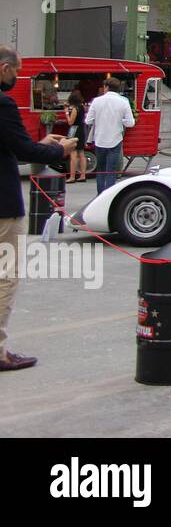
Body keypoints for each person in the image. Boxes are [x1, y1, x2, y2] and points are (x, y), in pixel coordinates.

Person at [0, 45, 78, 371]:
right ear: (4, 68)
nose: (16, 78)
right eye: (15, 72)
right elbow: (21, 148)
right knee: (5, 277)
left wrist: (36, 146)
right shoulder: (3, 102)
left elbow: (12, 147)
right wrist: (62, 150)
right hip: (3, 207)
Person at [84, 77, 135, 194]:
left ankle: (100, 194)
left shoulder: (97, 101)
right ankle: (109, 195)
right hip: (115, 139)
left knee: (100, 170)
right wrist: (120, 121)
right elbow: (130, 123)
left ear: (106, 87)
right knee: (111, 170)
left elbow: (88, 121)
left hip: (100, 139)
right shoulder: (124, 102)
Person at [63, 90, 88, 183]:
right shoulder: (82, 107)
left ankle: (72, 176)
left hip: (74, 130)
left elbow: (70, 122)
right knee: (81, 153)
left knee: (73, 154)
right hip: (81, 130)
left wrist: (66, 112)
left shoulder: (74, 109)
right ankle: (83, 175)